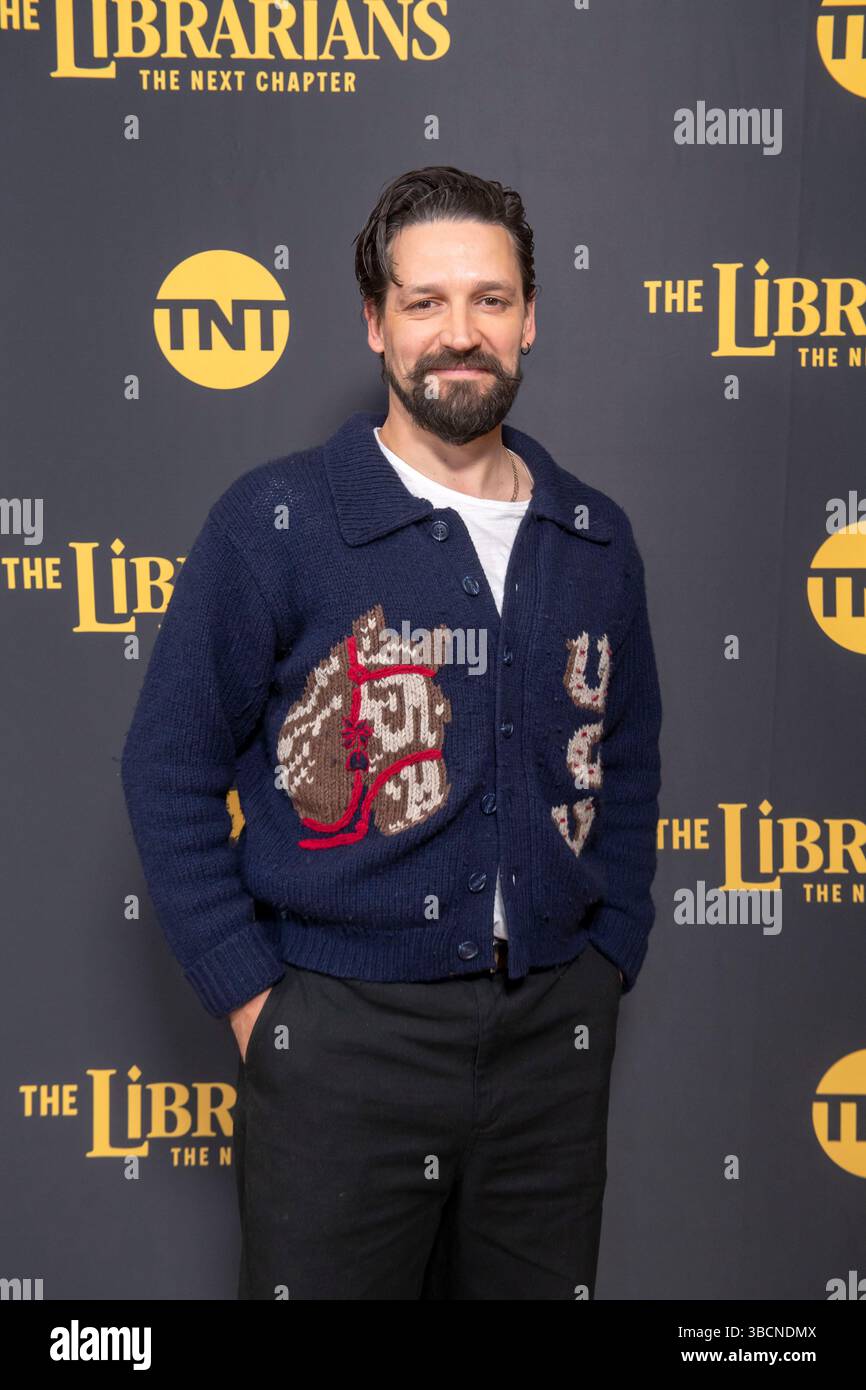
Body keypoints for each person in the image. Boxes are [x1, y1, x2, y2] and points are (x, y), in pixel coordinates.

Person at [120, 165, 663, 1300]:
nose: (459, 334)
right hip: (339, 1043)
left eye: (489, 300)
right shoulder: (278, 524)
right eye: (424, 302)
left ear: (530, 318)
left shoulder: (593, 536)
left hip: (550, 1047)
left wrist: (606, 953)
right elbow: (167, 767)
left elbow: (627, 759)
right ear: (374, 322)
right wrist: (258, 1007)